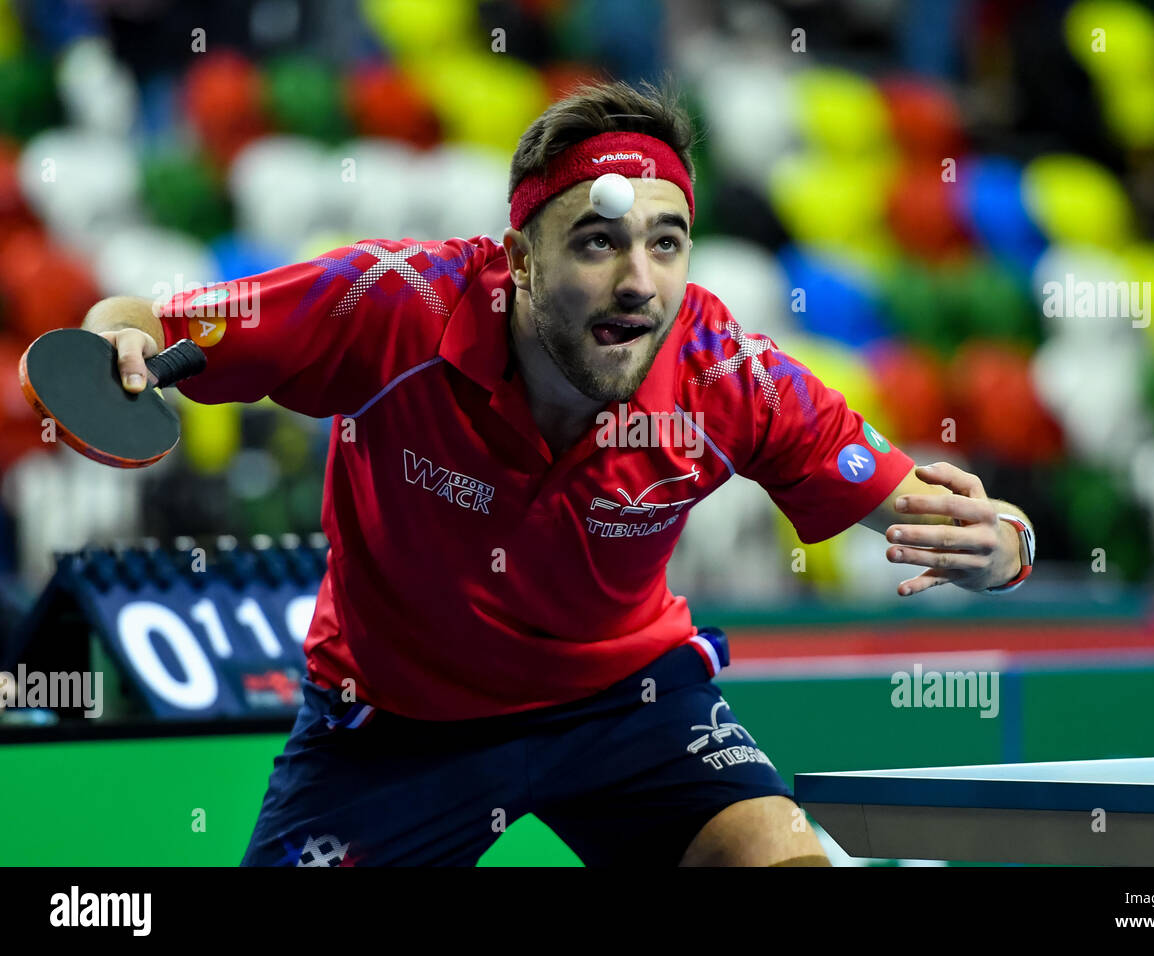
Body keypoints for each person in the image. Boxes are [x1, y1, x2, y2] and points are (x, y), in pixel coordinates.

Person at [81, 78, 1035, 867]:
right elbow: (147, 321)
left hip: (629, 706)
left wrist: (1005, 548)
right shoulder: (390, 305)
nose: (639, 281)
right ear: (521, 260)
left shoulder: (727, 377)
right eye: (598, 242)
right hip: (396, 726)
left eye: (666, 242)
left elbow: (961, 521)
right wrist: (113, 348)